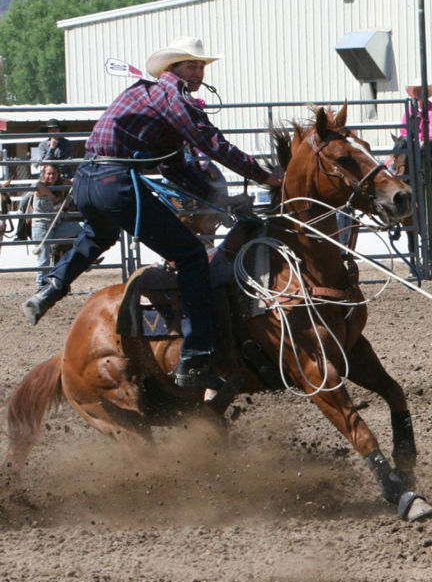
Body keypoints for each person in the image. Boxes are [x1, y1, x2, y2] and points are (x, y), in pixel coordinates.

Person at [21, 35, 285, 393]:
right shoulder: (173, 98)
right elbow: (212, 144)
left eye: (201, 65)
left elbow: (177, 167)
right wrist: (264, 175)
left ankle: (52, 286)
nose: (199, 71)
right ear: (173, 68)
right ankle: (194, 356)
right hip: (116, 182)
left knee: (99, 236)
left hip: (86, 181)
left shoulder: (144, 94)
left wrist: (220, 201)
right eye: (192, 64)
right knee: (191, 255)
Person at [29, 164, 81, 288]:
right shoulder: (41, 187)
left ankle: (84, 254)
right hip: (41, 227)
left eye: (54, 173)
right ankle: (41, 285)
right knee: (43, 259)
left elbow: (75, 181)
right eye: (49, 173)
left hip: (56, 226)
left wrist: (72, 184)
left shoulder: (60, 185)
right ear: (44, 174)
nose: (51, 176)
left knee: (83, 227)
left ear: (58, 174)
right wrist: (53, 197)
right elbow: (36, 185)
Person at [19, 118, 77, 217]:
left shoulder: (67, 144)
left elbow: (67, 162)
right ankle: (20, 228)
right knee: (25, 199)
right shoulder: (43, 145)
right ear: (47, 131)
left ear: (59, 130)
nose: (53, 131)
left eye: (56, 129)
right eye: (50, 129)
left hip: (63, 176)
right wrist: (52, 148)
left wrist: (56, 171)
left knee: (78, 196)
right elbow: (44, 163)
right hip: (45, 177)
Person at [400, 77, 432, 149]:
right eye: (416, 90)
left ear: (426, 93)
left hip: (428, 144)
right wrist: (411, 140)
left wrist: (425, 140)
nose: (419, 93)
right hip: (412, 144)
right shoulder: (410, 110)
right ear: (414, 93)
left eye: (421, 90)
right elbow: (404, 129)